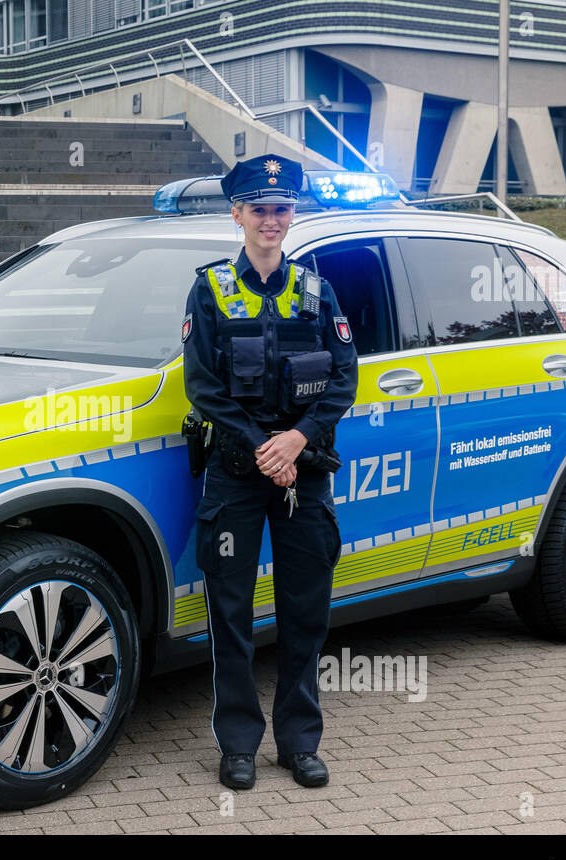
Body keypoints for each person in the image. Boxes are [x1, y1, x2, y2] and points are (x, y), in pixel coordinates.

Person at [181, 154, 358, 791]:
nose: (271, 220)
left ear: (292, 214)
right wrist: (264, 447)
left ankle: (299, 743)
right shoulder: (209, 289)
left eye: (281, 209)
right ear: (238, 214)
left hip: (304, 473)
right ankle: (237, 745)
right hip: (236, 472)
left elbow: (343, 378)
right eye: (259, 209)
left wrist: (296, 440)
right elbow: (203, 387)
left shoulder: (316, 290)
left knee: (305, 613)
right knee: (231, 615)